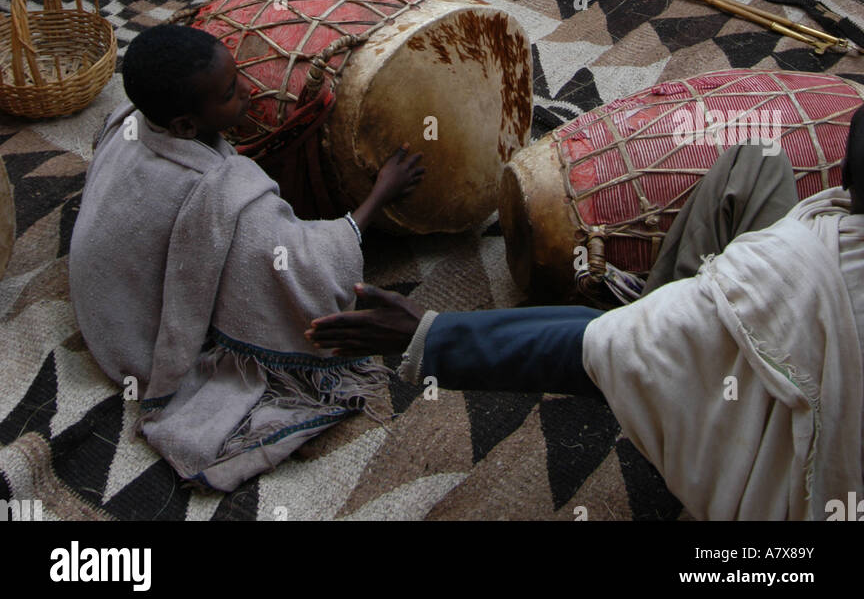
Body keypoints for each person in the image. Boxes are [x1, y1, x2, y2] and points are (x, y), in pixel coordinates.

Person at [309, 130, 864, 521]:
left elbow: (586, 346)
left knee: (629, 345)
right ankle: (669, 322)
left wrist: (428, 330)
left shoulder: (796, 267)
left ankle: (667, 357)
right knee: (758, 158)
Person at [69, 24, 424, 492]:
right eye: (229, 93)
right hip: (139, 337)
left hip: (102, 304)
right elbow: (307, 264)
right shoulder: (226, 191)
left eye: (238, 74)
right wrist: (378, 197)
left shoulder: (127, 121)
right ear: (184, 127)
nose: (249, 88)